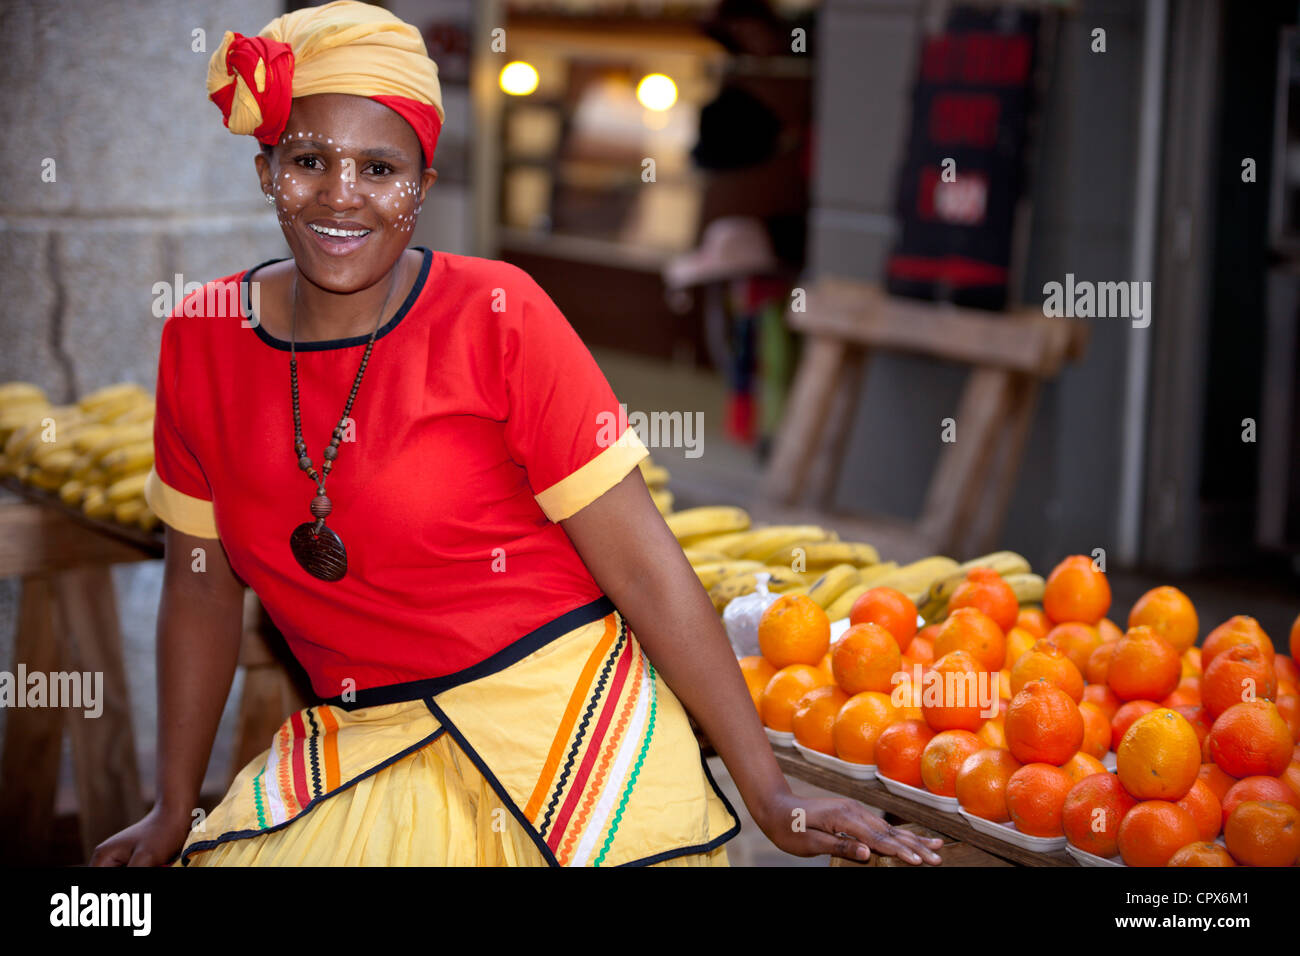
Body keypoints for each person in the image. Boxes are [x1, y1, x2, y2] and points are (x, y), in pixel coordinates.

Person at [90, 0, 942, 868]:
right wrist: (169, 808)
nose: (341, 194)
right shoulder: (199, 338)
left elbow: (645, 566)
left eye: (379, 168)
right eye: (309, 160)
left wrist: (770, 794)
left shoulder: (498, 313)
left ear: (422, 187)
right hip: (372, 735)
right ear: (267, 171)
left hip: (570, 724)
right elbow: (199, 592)